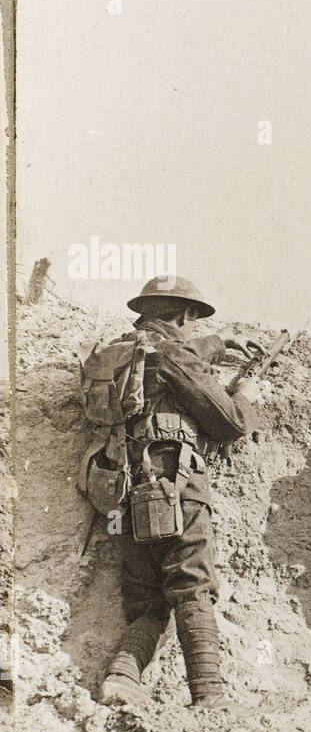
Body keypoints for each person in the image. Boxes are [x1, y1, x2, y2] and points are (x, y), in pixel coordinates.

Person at [78, 275, 258, 708]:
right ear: (186, 314)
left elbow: (177, 355)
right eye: (194, 321)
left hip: (120, 489)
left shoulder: (119, 353)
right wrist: (248, 397)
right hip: (174, 484)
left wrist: (218, 342)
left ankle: (121, 676)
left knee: (149, 597)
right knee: (192, 585)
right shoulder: (175, 355)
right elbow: (228, 421)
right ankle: (211, 696)